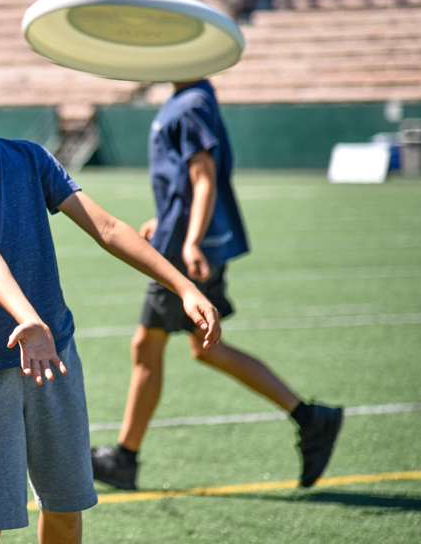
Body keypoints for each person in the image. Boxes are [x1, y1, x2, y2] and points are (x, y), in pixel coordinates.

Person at [0, 24, 222, 544]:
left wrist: (183, 285)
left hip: (53, 360)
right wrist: (28, 319)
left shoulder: (29, 158)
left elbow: (108, 228)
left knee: (66, 508)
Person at [89, 80, 344, 491]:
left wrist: (189, 239)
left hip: (184, 251)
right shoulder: (192, 97)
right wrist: (165, 218)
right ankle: (310, 419)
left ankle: (125, 458)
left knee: (150, 345)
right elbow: (184, 182)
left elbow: (203, 176)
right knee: (201, 347)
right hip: (180, 238)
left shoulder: (189, 103)